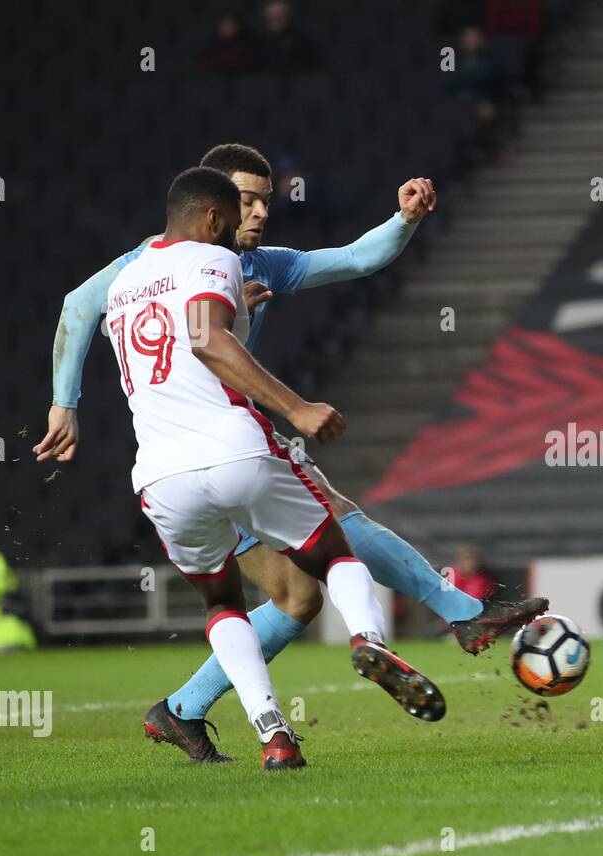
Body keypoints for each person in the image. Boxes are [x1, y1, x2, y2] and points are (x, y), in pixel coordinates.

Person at [35, 143, 546, 763]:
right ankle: (462, 613)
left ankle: (182, 711)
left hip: (174, 470)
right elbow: (79, 307)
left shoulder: (264, 264)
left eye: (265, 200)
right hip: (214, 440)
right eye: (244, 199)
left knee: (297, 600)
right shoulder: (150, 263)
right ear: (213, 205)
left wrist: (405, 219)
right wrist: (66, 403)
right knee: (335, 521)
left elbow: (357, 258)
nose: (257, 213)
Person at [106, 166, 444, 769]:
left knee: (224, 606)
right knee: (333, 549)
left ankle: (273, 736)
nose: (247, 224)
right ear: (213, 217)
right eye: (239, 212)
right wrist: (297, 407)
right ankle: (369, 639)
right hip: (232, 449)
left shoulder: (124, 283)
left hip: (158, 475)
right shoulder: (216, 259)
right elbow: (208, 341)